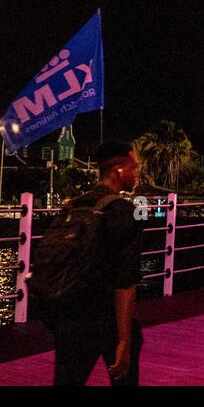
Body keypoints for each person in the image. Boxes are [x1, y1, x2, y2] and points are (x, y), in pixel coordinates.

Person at [49, 140, 144, 386]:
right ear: (119, 170)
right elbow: (126, 281)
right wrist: (124, 340)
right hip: (107, 317)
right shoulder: (124, 211)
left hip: (70, 315)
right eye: (134, 167)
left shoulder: (73, 206)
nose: (137, 173)